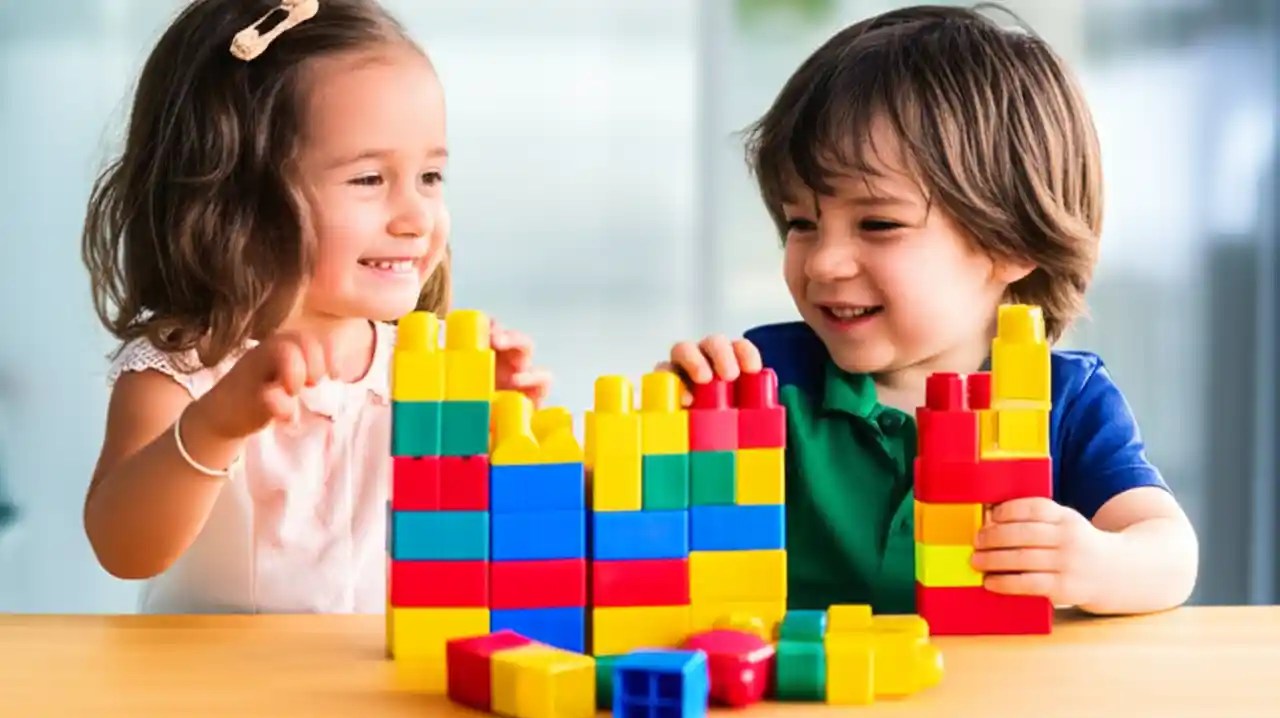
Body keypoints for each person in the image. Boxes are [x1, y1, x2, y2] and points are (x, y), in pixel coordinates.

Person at [661, 5, 1198, 616]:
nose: (821, 263)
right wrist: (668, 432)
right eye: (801, 223)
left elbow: (1171, 553)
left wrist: (1098, 564)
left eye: (879, 223)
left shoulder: (1066, 400)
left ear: (1011, 241)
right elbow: (635, 535)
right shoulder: (767, 378)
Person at [80, 0, 551, 613]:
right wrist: (217, 425)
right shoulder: (181, 370)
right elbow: (124, 550)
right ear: (236, 198)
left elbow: (507, 565)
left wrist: (505, 435)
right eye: (368, 180)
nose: (416, 218)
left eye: (431, 177)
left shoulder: (420, 371)